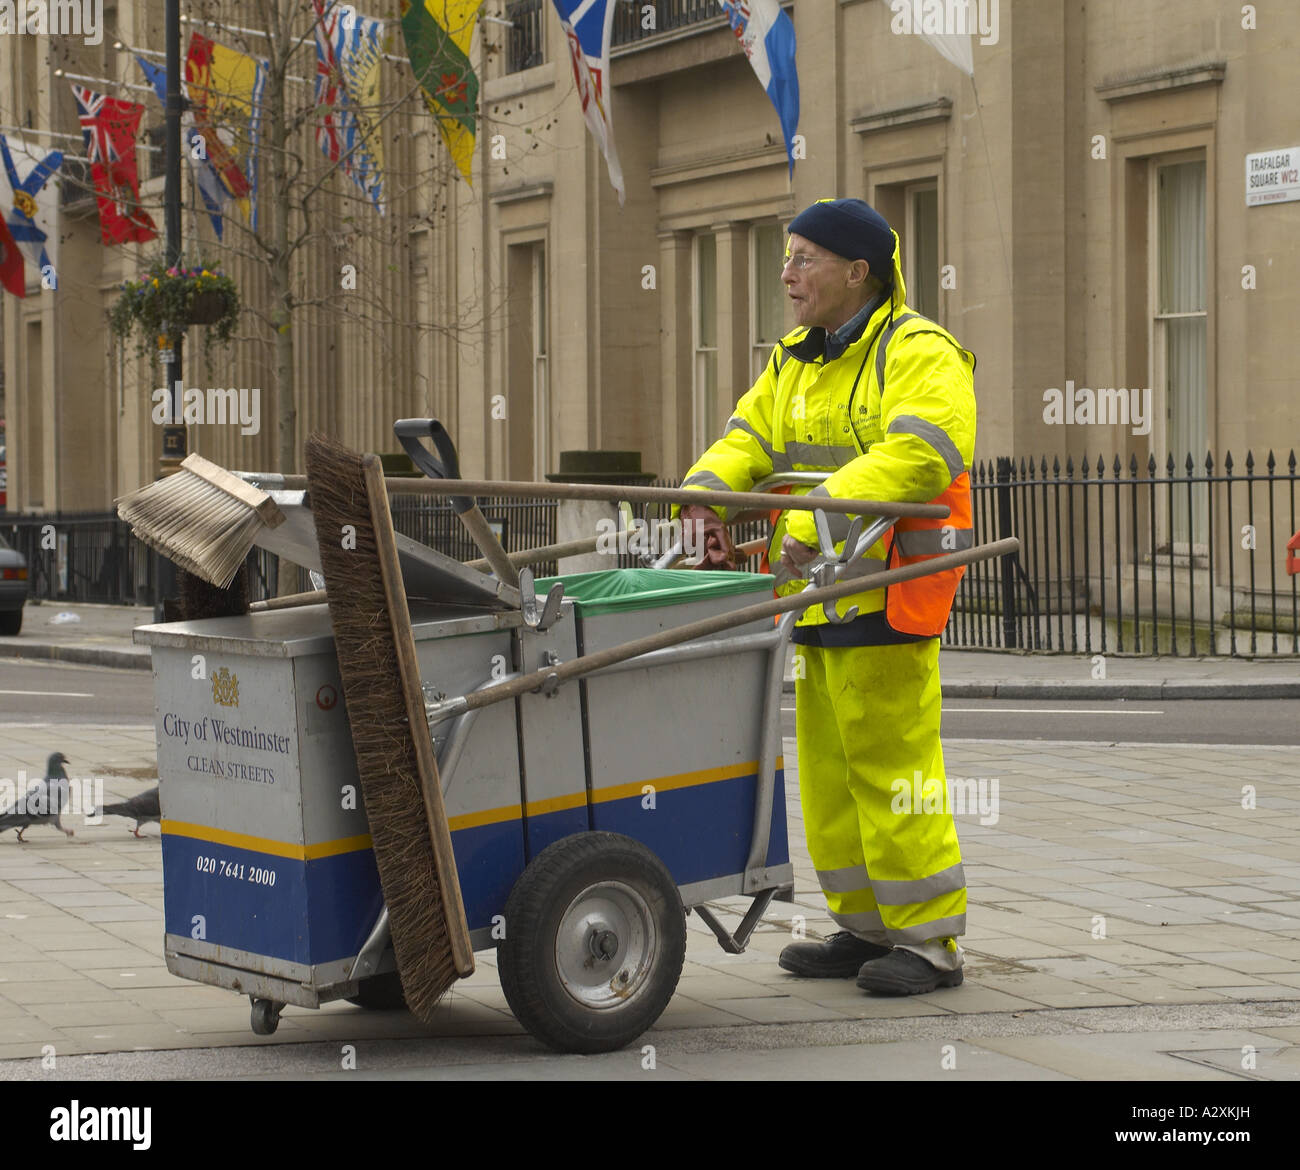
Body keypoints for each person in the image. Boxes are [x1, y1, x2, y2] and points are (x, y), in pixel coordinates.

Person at [677, 198, 976, 995]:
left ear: (858, 272)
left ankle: (931, 943)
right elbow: (750, 438)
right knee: (831, 775)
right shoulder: (796, 359)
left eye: (803, 258)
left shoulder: (919, 352)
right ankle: (865, 929)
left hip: (886, 593)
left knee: (893, 767)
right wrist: (702, 497)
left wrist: (813, 512)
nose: (788, 273)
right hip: (815, 597)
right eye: (788, 256)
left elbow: (922, 454)